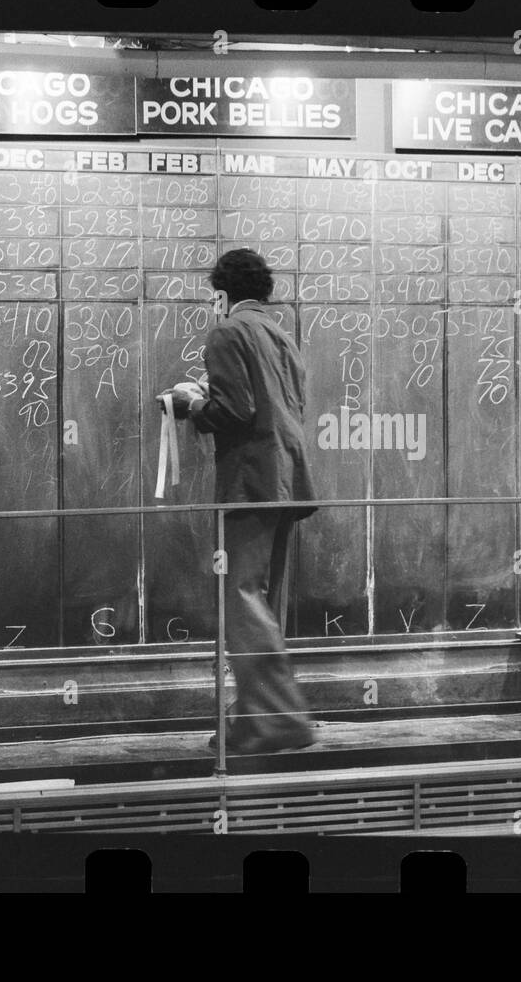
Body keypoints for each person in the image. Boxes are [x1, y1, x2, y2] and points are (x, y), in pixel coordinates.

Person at [164, 248, 318, 754]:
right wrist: (215, 393)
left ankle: (282, 720)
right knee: (262, 600)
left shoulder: (228, 330)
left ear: (221, 292)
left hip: (251, 482)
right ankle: (253, 717)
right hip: (287, 480)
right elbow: (273, 403)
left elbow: (235, 410)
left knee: (242, 599)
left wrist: (192, 405)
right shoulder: (281, 334)